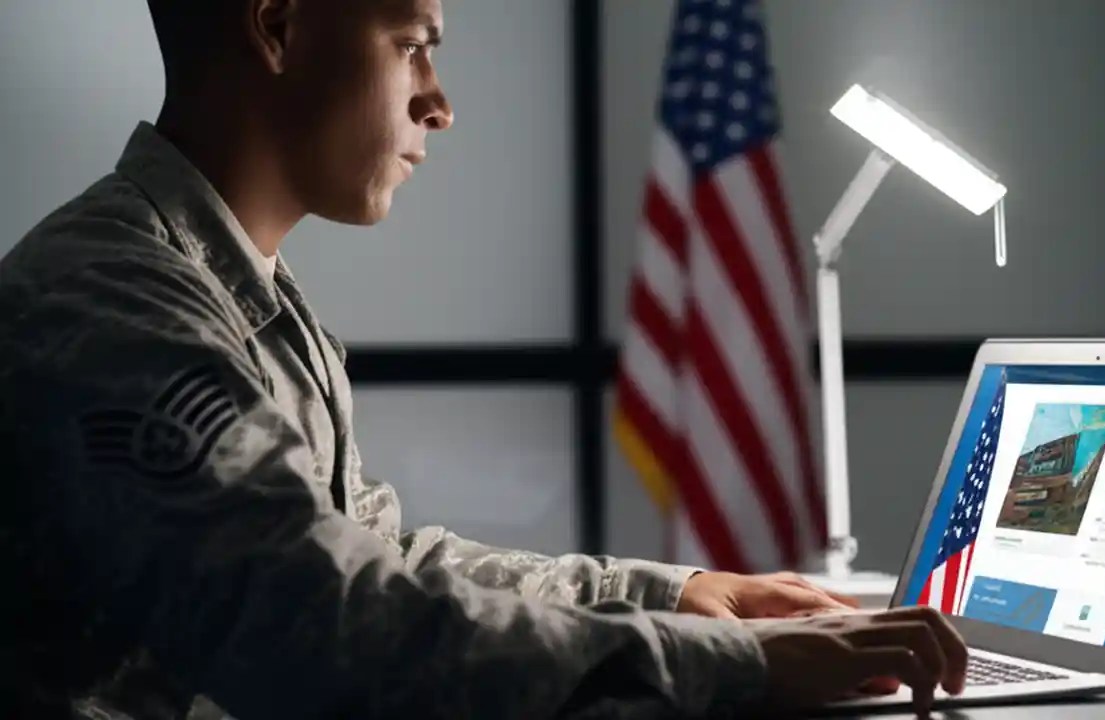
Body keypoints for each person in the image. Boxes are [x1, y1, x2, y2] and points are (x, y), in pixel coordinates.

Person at [0, 0, 968, 718]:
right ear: (279, 26)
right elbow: (329, 626)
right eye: (413, 45)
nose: (440, 103)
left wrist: (672, 595)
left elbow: (372, 561)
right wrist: (734, 666)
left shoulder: (235, 292)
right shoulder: (115, 303)